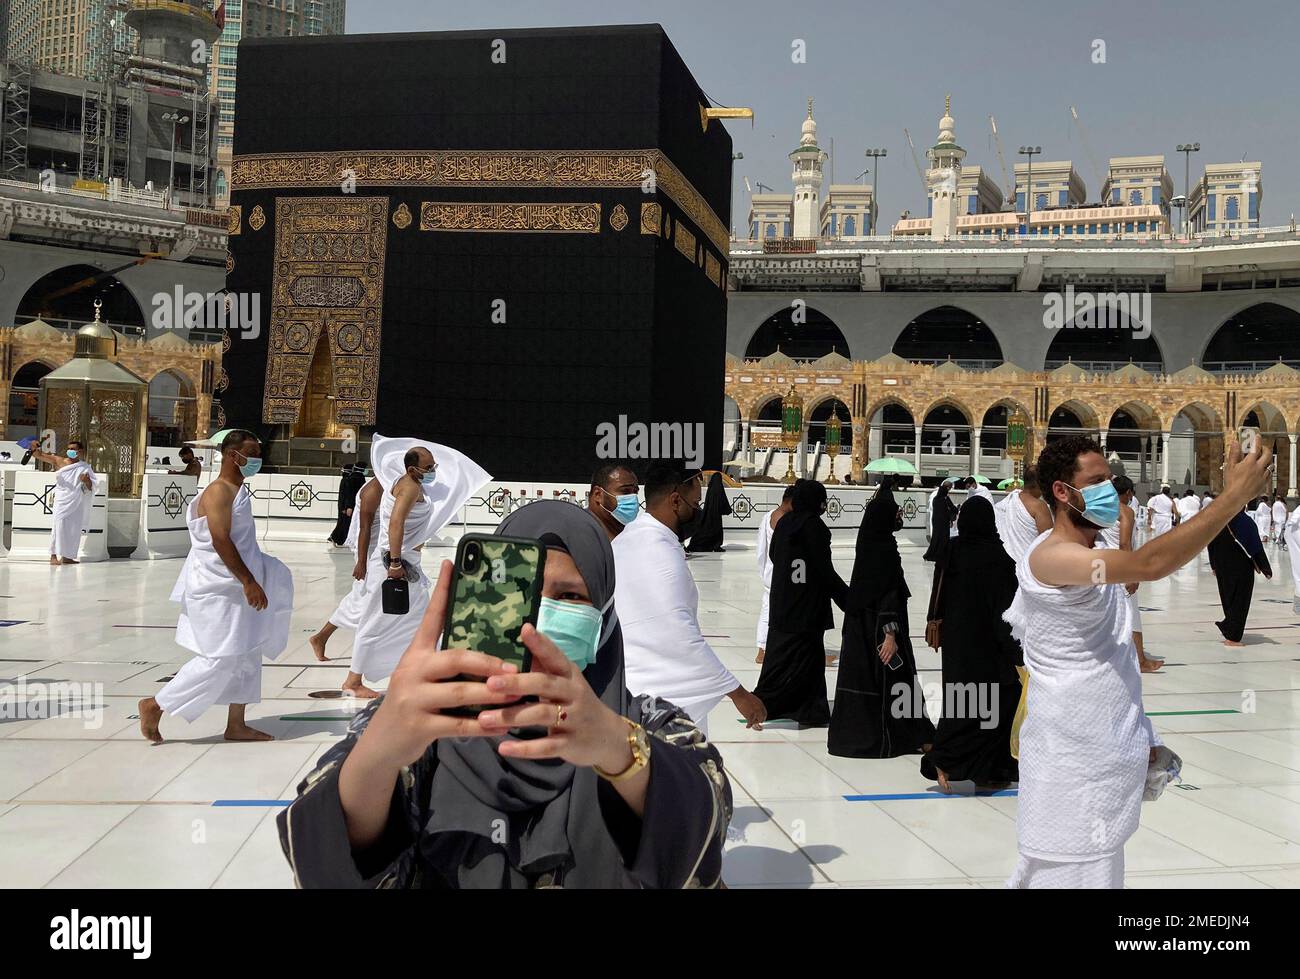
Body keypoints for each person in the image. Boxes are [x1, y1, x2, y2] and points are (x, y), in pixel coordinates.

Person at [276, 501, 734, 888]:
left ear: (605, 617)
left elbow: (701, 835)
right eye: (521, 592)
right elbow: (325, 858)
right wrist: (379, 753)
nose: (535, 619)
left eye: (570, 596)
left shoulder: (650, 726)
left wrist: (617, 750)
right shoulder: (418, 728)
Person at [1003, 433, 1272, 888]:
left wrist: (1139, 731)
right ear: (1062, 493)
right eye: (1096, 481)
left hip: (1102, 747)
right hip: (1070, 759)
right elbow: (1148, 565)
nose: (1109, 488)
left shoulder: (1090, 552)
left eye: (1109, 478)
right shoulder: (1053, 557)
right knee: (1066, 871)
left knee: (1096, 870)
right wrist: (1232, 498)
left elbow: (1110, 652)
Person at [138, 429, 293, 743]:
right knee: (220, 658)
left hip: (241, 585)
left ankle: (236, 723)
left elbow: (242, 541)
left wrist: (263, 571)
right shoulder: (219, 492)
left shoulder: (238, 491)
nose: (257, 459)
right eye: (252, 452)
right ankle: (156, 704)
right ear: (232, 455)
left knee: (248, 653)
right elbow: (220, 540)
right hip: (220, 588)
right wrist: (248, 581)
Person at [613, 462, 765, 735]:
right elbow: (677, 633)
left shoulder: (625, 540)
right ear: (675, 500)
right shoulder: (660, 553)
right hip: (659, 702)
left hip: (627, 688)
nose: (698, 511)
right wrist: (738, 693)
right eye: (695, 504)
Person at [345, 435, 491, 697]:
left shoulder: (410, 483)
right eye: (429, 467)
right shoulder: (410, 488)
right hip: (394, 564)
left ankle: (429, 672)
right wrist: (396, 563)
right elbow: (395, 523)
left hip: (408, 564)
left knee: (424, 619)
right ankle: (353, 682)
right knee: (374, 621)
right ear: (413, 469)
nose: (434, 471)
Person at [920, 497, 1021, 790]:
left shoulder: (951, 551)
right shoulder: (1000, 560)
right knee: (996, 705)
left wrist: (934, 619)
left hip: (957, 646)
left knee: (963, 705)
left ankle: (980, 766)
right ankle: (963, 763)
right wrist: (1016, 652)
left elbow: (937, 591)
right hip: (989, 649)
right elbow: (1006, 614)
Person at [829, 479, 934, 755]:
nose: (899, 515)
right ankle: (909, 736)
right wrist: (890, 635)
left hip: (861, 627)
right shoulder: (884, 548)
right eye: (895, 511)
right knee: (898, 679)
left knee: (866, 679)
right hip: (881, 628)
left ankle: (862, 736)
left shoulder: (869, 543)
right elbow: (887, 591)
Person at [754, 479, 849, 727]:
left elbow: (774, 556)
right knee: (809, 661)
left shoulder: (784, 523)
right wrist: (848, 601)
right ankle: (767, 705)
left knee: (781, 661)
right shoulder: (815, 527)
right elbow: (824, 570)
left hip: (783, 603)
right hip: (807, 607)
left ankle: (805, 710)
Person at [309, 474, 383, 662]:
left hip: (380, 552)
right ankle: (323, 638)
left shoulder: (391, 486)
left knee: (364, 599)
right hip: (369, 553)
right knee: (363, 600)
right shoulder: (373, 490)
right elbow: (364, 529)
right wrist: (361, 563)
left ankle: (321, 637)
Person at [1099, 475, 1161, 673]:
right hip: (1121, 568)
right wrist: (1131, 574)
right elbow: (1125, 543)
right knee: (1132, 615)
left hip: (1101, 567)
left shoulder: (1100, 509)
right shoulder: (1125, 511)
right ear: (1127, 493)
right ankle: (1140, 660)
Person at [1207, 503, 1273, 646]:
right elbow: (1255, 547)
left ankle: (1229, 627)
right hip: (1241, 568)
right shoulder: (1246, 522)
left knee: (1228, 598)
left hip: (1222, 566)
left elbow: (1210, 544)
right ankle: (1233, 636)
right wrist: (1265, 568)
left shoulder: (1218, 522)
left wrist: (1213, 564)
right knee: (1240, 601)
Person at [29, 438, 97, 565]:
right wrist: (33, 447)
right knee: (57, 527)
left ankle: (68, 557)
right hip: (62, 500)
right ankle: (53, 556)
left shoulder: (85, 467)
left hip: (76, 501)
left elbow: (91, 487)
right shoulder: (59, 461)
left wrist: (86, 480)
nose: (70, 451)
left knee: (73, 529)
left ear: (80, 451)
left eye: (73, 449)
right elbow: (39, 455)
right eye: (69, 449)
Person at [756, 486, 796, 664]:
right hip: (778, 574)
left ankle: (766, 648)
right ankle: (763, 649)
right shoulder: (784, 520)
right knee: (770, 611)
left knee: (770, 609)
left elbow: (761, 549)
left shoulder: (769, 515)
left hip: (771, 572)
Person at [994, 465, 1053, 563]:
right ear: (1040, 484)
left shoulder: (1003, 503)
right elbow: (1048, 541)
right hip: (1026, 568)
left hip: (1002, 565)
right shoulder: (1039, 506)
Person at [586, 463, 640, 541]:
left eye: (635, 492)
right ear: (598, 494)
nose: (633, 498)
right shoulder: (578, 531)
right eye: (625, 491)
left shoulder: (633, 534)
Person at [685, 471, 732, 552]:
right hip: (716, 515)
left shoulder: (711, 488)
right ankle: (716, 545)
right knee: (717, 530)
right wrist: (725, 509)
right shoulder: (718, 487)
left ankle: (709, 545)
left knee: (707, 528)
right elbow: (722, 499)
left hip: (709, 513)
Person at [329, 462, 369, 546]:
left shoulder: (352, 478)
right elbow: (349, 494)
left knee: (344, 522)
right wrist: (348, 506)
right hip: (351, 505)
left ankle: (337, 537)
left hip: (348, 504)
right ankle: (337, 537)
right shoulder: (355, 478)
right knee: (346, 523)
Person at [923, 480, 956, 563]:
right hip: (943, 522)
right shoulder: (944, 499)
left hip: (937, 521)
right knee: (943, 539)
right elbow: (950, 509)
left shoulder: (936, 498)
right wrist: (952, 516)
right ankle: (941, 554)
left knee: (936, 538)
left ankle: (932, 554)